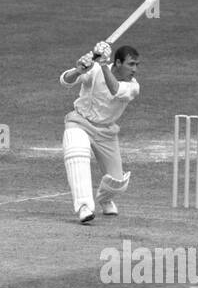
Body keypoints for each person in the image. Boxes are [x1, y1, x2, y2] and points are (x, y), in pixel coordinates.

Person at [59, 42, 139, 224]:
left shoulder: (133, 87)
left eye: (136, 65)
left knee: (117, 183)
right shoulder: (94, 69)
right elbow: (65, 81)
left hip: (106, 132)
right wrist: (78, 70)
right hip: (80, 122)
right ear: (118, 63)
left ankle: (105, 199)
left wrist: (102, 65)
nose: (134, 69)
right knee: (76, 150)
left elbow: (115, 90)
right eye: (131, 64)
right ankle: (84, 207)